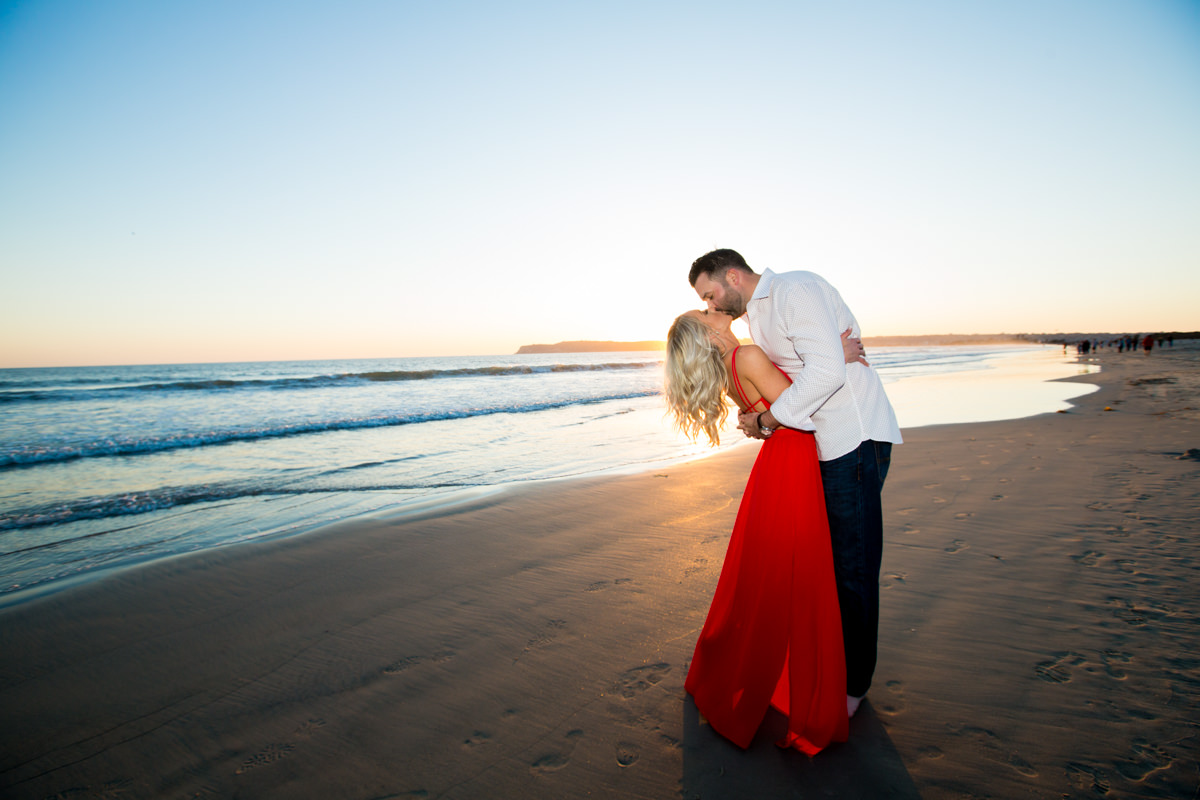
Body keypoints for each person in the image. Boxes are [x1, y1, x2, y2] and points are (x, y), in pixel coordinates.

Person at [689, 249, 902, 719]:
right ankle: (831, 669)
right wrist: (764, 413)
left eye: (710, 294)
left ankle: (854, 686)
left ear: (732, 275)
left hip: (853, 436)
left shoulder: (794, 290)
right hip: (818, 446)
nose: (712, 306)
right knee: (831, 566)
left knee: (854, 568)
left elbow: (823, 373)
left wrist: (765, 415)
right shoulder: (756, 321)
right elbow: (807, 372)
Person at [664, 309, 864, 754]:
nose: (715, 311)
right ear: (706, 332)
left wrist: (760, 419)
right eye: (705, 311)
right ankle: (801, 690)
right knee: (799, 574)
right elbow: (802, 407)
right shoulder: (749, 356)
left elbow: (769, 412)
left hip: (778, 464)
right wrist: (840, 358)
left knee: (771, 574)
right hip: (793, 462)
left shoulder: (730, 368)